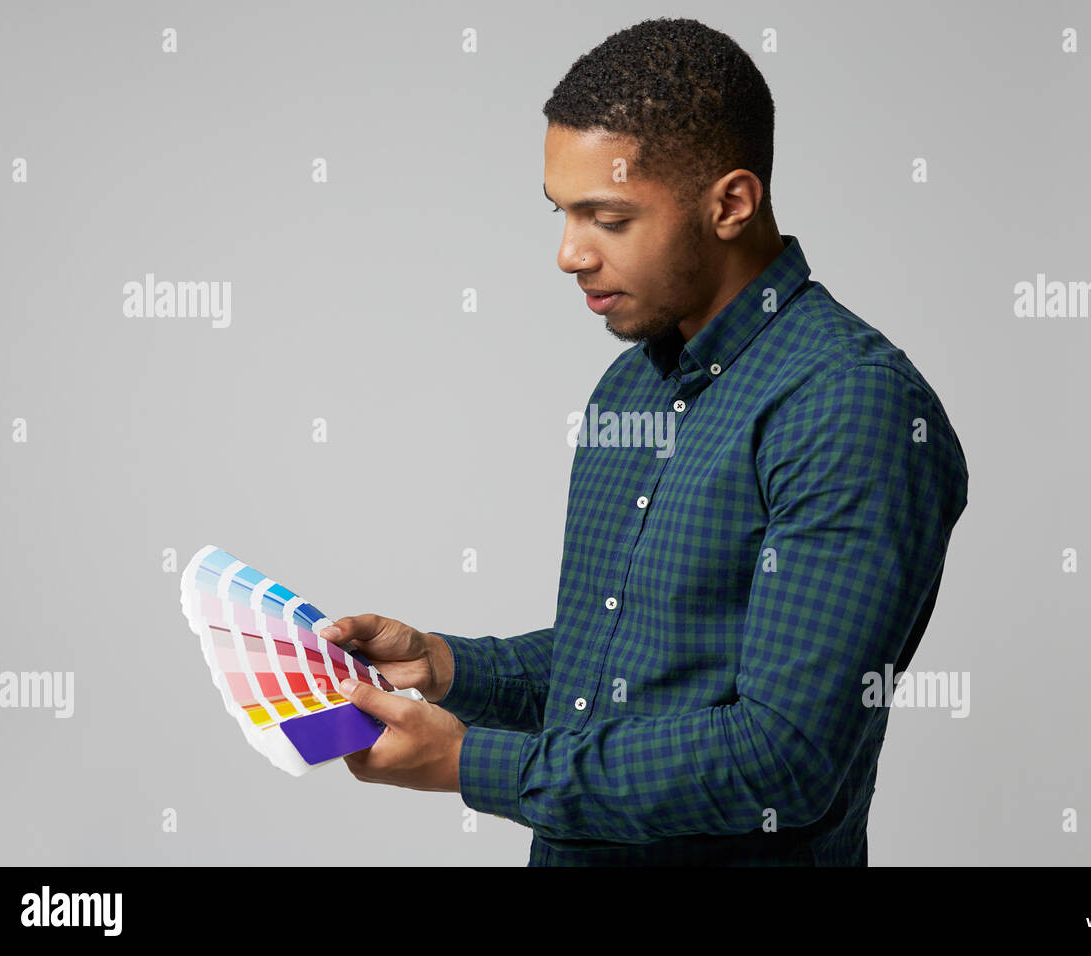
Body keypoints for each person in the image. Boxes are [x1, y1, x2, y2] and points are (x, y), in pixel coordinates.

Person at [321, 16, 970, 866]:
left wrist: (469, 763)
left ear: (731, 203)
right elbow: (631, 664)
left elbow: (783, 757)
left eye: (608, 217)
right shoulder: (631, 386)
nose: (567, 254)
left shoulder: (850, 406)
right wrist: (446, 668)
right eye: (561, 213)